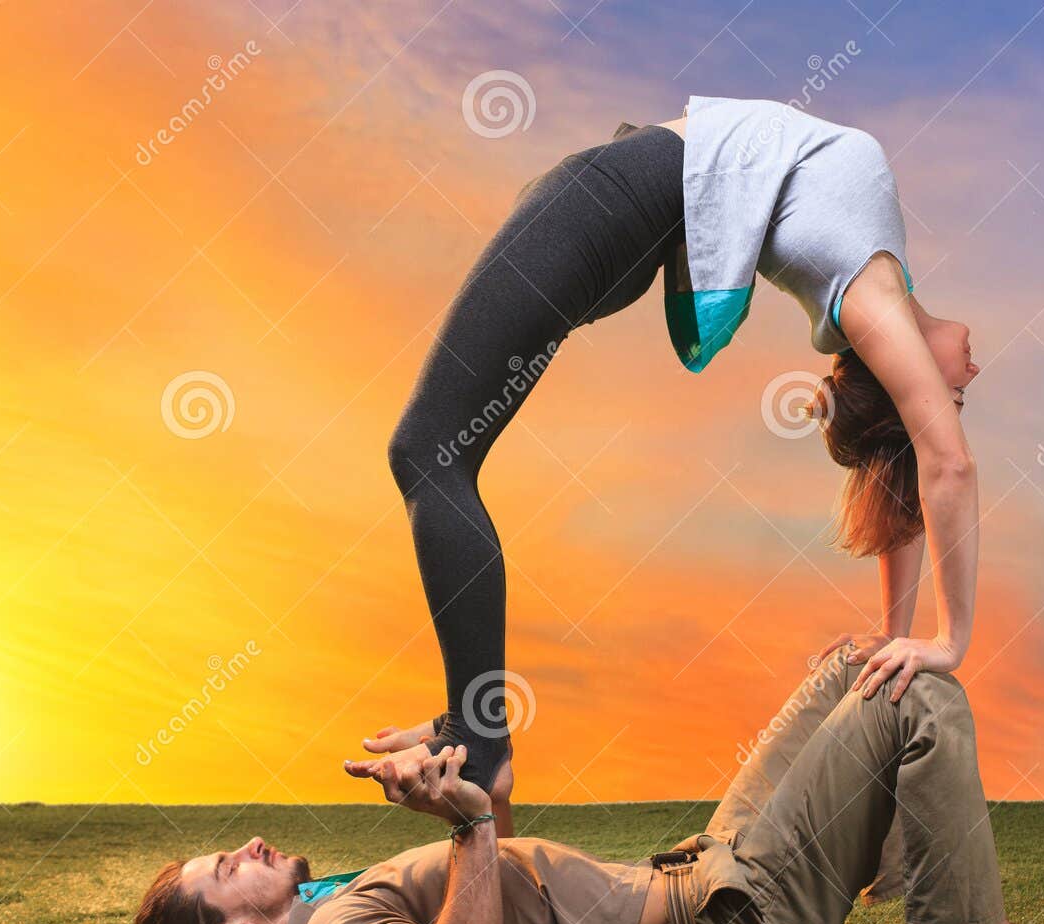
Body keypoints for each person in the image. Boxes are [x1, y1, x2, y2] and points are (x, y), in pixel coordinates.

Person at [386, 97, 981, 791]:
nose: (967, 381)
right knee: (444, 449)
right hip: (621, 206)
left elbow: (947, 464)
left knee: (427, 454)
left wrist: (949, 639)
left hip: (607, 204)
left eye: (954, 400)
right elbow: (912, 470)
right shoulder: (883, 277)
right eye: (950, 400)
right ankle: (477, 736)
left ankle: (479, 741)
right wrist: (892, 628)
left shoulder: (866, 296)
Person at [134, 650, 1044, 924]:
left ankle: (945, 912)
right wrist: (470, 823)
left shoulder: (331, 899)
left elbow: (500, 899)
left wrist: (476, 785)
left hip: (704, 867)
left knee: (851, 666)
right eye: (228, 870)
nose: (248, 847)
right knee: (915, 691)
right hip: (735, 920)